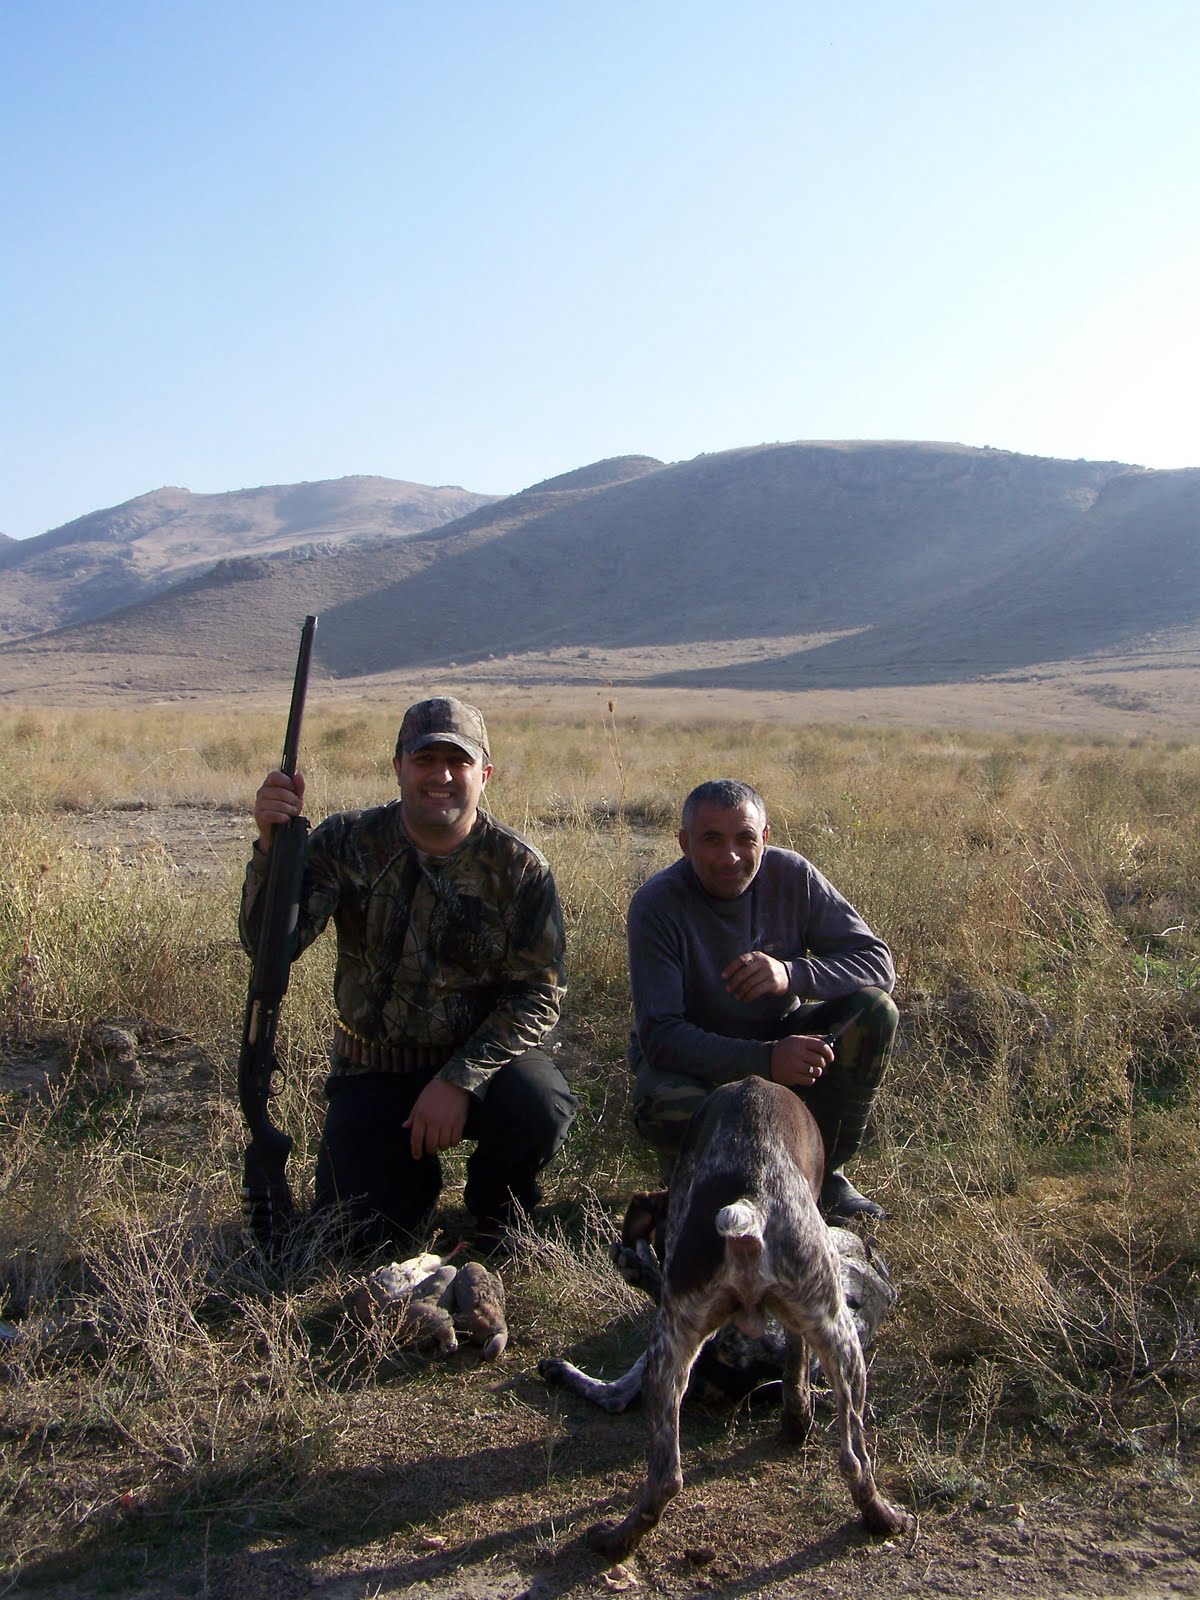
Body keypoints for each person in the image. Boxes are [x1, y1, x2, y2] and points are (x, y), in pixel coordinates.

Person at [240, 696, 576, 1249]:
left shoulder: (521, 867)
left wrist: (457, 1080)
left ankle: (495, 1206)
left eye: (458, 762)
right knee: (357, 1237)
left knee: (539, 1104)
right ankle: (406, 1186)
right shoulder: (345, 841)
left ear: (484, 775)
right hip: (374, 1069)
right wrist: (271, 851)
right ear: (398, 767)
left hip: (482, 1068)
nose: (440, 775)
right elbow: (268, 946)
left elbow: (536, 997)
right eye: (424, 760)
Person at [626, 778, 897, 1219]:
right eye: (711, 839)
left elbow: (877, 964)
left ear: (765, 838)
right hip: (697, 1063)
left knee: (874, 1010)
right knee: (666, 1107)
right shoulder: (657, 904)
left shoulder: (793, 875)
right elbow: (660, 1037)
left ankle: (825, 1174)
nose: (730, 856)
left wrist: (792, 974)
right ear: (684, 843)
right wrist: (767, 1061)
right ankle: (700, 1176)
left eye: (745, 838)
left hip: (781, 1036)